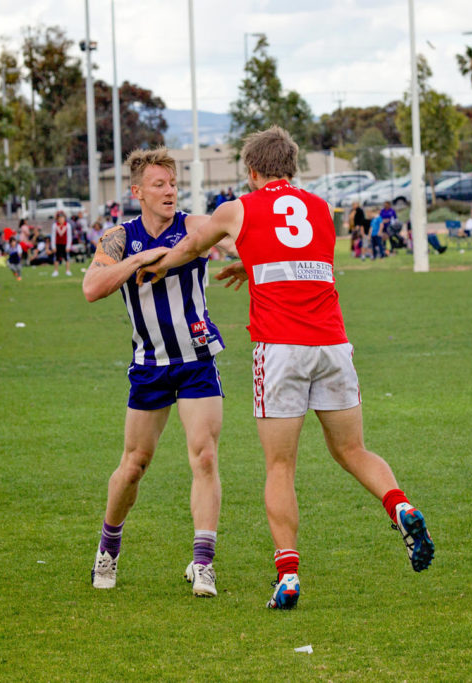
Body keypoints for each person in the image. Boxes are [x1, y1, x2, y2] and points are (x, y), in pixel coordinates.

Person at [139, 126, 433, 610]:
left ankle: (288, 576)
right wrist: (251, 264)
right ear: (292, 167)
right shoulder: (320, 208)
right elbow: (299, 259)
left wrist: (156, 266)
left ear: (253, 170)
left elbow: (192, 246)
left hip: (280, 349)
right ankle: (400, 505)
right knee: (353, 449)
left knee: (280, 466)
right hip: (332, 343)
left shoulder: (238, 208)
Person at [83, 147, 225, 599]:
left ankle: (203, 563)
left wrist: (243, 256)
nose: (169, 191)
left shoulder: (195, 226)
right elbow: (92, 288)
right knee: (134, 465)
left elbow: (236, 237)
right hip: (149, 366)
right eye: (159, 185)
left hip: (197, 359)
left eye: (173, 184)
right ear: (137, 192)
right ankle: (108, 549)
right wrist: (139, 260)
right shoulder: (119, 237)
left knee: (205, 456)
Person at [50, 212, 72, 277]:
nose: (61, 219)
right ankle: (56, 271)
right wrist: (53, 246)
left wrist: (68, 246)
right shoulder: (55, 225)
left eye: (62, 218)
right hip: (57, 244)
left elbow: (69, 236)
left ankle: (67, 270)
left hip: (65, 244)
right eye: (59, 218)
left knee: (66, 258)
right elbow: (53, 236)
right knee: (56, 258)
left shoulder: (67, 225)